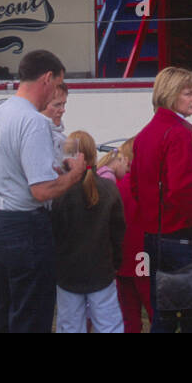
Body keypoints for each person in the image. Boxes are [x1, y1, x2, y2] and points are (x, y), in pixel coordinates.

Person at [0, 49, 86, 333]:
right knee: (31, 311)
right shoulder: (33, 121)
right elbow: (42, 190)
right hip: (23, 224)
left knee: (3, 302)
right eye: (57, 84)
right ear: (47, 78)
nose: (56, 94)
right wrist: (74, 175)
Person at [131, 67, 192, 333]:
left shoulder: (145, 134)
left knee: (163, 315)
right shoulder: (179, 134)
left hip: (154, 236)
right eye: (189, 92)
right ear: (171, 95)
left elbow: (136, 186)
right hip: (184, 238)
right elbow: (182, 189)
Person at [52, 131, 127, 333]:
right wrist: (115, 264)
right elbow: (118, 233)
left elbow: (52, 234)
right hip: (101, 272)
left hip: (68, 274)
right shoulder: (109, 189)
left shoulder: (58, 192)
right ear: (93, 155)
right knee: (110, 325)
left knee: (69, 326)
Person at [108, 140, 151, 333]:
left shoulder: (116, 185)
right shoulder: (144, 183)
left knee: (128, 314)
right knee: (153, 308)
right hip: (143, 256)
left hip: (121, 257)